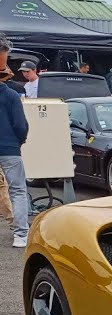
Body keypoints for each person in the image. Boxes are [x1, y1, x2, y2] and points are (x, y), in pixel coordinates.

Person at [0, 34, 29, 247]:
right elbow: (21, 125)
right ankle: (21, 235)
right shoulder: (11, 95)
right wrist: (18, 142)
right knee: (17, 189)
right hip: (10, 148)